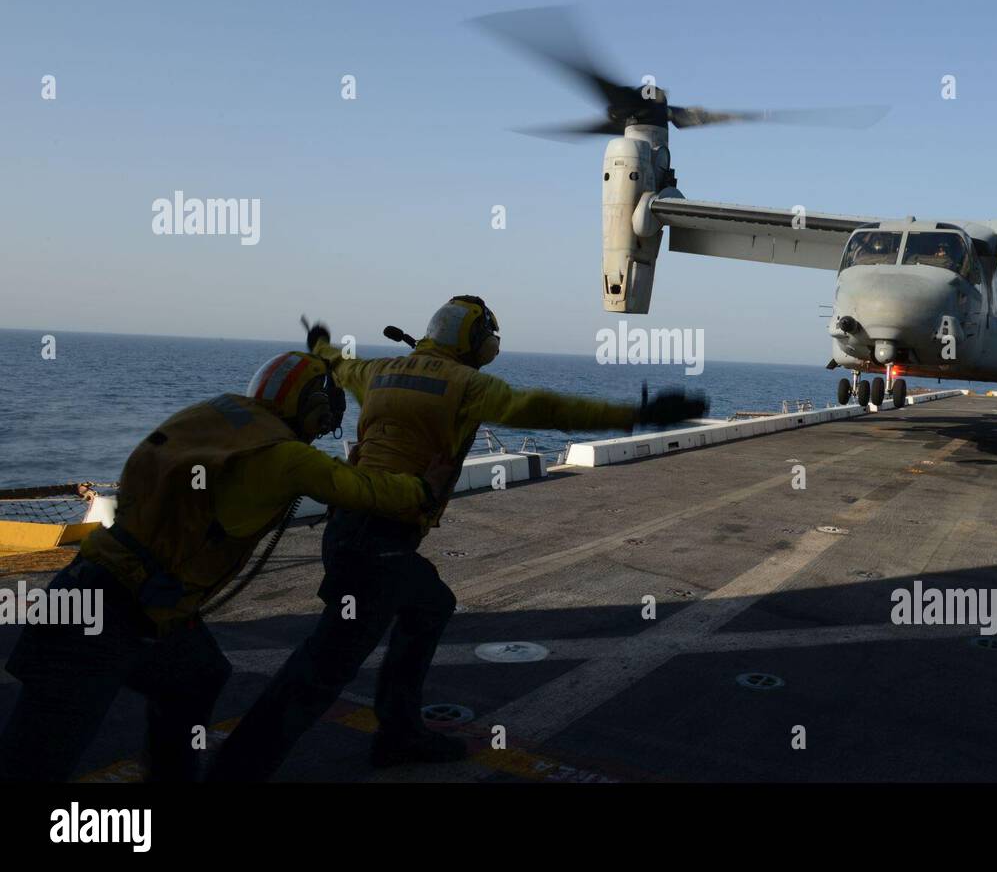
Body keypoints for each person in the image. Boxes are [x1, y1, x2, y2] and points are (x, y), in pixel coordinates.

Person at [209, 297, 708, 780]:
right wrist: (636, 414)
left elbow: (338, 366)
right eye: (488, 335)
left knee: (429, 605)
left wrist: (320, 345)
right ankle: (237, 770)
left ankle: (398, 730)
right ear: (472, 338)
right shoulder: (467, 386)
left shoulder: (379, 372)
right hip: (379, 540)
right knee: (322, 667)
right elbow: (547, 407)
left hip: (351, 528)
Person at [0, 352, 442, 782]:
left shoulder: (218, 413)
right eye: (324, 415)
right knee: (36, 762)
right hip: (105, 616)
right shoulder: (286, 457)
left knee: (198, 675)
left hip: (115, 593)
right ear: (309, 406)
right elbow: (366, 491)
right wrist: (425, 487)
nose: (325, 426)